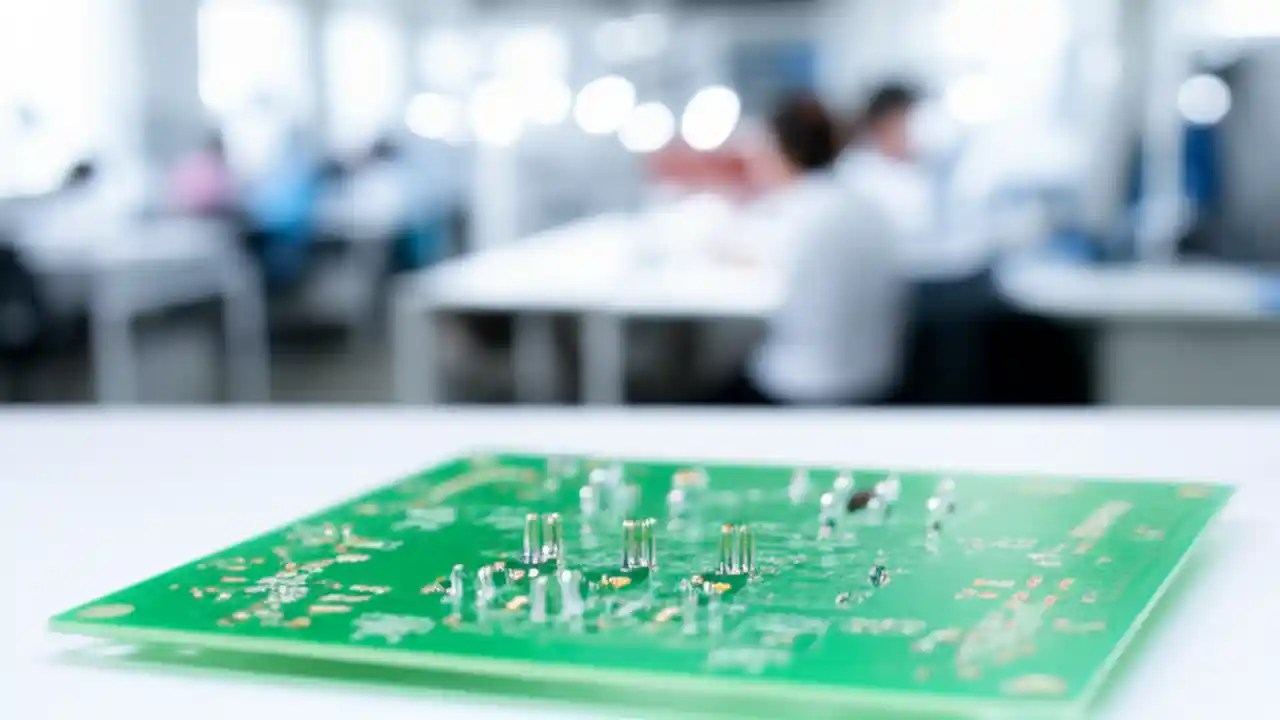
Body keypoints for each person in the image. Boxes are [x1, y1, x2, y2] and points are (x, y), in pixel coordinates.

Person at [715, 94, 905, 405]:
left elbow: (750, 263)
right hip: (875, 377)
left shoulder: (795, 213)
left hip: (801, 383)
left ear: (780, 151)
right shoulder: (868, 205)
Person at [836, 83, 935, 254]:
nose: (908, 133)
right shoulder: (855, 173)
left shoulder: (931, 161)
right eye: (899, 125)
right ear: (880, 126)